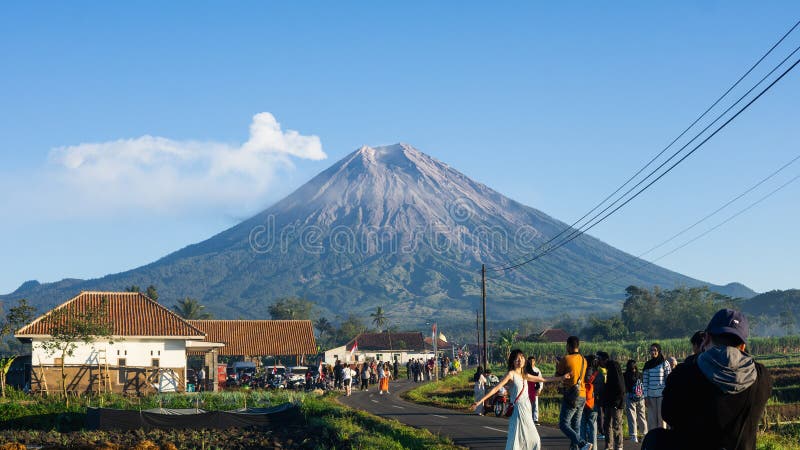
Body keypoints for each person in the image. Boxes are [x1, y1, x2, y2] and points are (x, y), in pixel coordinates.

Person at [642, 308, 773, 450]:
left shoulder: (683, 373)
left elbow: (668, 415)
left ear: (706, 339)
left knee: (654, 439)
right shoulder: (761, 376)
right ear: (743, 346)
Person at [471, 349, 568, 450]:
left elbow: (543, 379)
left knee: (534, 439)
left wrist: (561, 378)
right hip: (517, 410)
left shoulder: (525, 375)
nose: (520, 360)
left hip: (527, 409)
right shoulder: (511, 374)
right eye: (517, 359)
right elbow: (496, 388)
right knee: (516, 437)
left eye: (521, 357)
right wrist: (479, 401)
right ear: (512, 361)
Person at [556, 336, 592, 450]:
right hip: (582, 395)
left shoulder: (566, 359)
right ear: (578, 346)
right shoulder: (583, 360)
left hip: (572, 395)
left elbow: (558, 377)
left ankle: (582, 443)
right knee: (576, 424)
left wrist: (558, 364)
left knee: (563, 424)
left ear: (568, 346)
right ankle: (575, 448)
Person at [596, 351, 625, 450]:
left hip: (616, 401)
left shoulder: (613, 365)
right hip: (608, 401)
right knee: (607, 425)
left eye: (599, 359)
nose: (598, 362)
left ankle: (619, 446)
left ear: (604, 359)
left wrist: (618, 401)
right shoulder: (606, 368)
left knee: (616, 425)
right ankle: (608, 446)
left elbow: (620, 385)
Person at [642, 343, 670, 431]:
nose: (653, 352)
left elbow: (669, 379)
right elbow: (645, 382)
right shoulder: (647, 365)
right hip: (650, 396)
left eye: (655, 350)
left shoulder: (665, 363)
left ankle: (662, 440)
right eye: (651, 350)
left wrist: (668, 394)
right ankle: (653, 440)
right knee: (651, 420)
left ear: (659, 351)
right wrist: (645, 396)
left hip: (662, 395)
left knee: (661, 419)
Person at [623, 359, 647, 443]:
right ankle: (644, 434)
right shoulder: (640, 374)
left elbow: (624, 387)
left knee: (632, 416)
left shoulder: (625, 375)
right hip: (641, 397)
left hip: (630, 397)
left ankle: (634, 436)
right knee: (642, 416)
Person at [580, 355, 599, 450]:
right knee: (593, 426)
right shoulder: (597, 373)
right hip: (593, 403)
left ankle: (584, 447)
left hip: (583, 401)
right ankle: (594, 447)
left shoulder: (582, 371)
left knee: (582, 425)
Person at [525, 356, 543, 425]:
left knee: (535, 404)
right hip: (527, 390)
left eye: (533, 361)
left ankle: (535, 419)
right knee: (527, 404)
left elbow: (540, 380)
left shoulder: (537, 370)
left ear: (535, 362)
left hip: (535, 389)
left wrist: (539, 389)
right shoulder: (525, 370)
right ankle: (528, 419)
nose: (531, 362)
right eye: (530, 361)